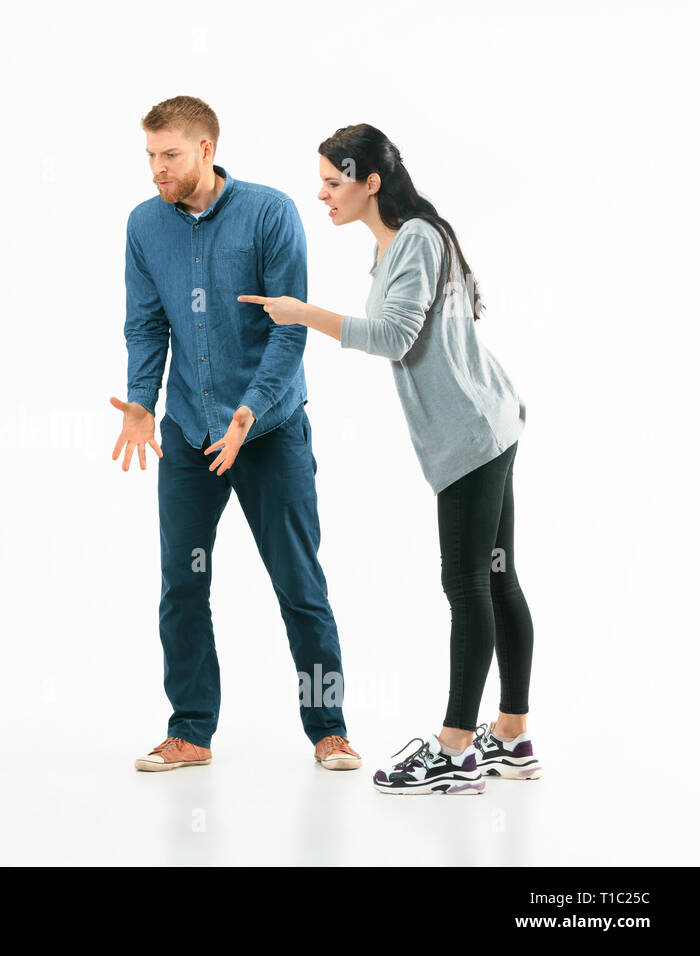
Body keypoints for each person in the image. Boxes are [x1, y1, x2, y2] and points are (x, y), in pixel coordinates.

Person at [238, 123, 541, 794]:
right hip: (488, 424)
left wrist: (301, 313)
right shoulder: (405, 244)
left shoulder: (416, 240)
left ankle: (457, 748)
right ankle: (512, 736)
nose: (321, 194)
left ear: (370, 181)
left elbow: (397, 337)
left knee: (467, 585)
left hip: (470, 436)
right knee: (495, 577)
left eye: (332, 181)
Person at [112, 95, 360, 773]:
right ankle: (190, 730)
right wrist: (140, 401)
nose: (157, 170)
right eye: (150, 157)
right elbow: (146, 324)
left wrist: (250, 409)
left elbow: (290, 328)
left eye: (169, 155)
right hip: (190, 437)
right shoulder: (144, 226)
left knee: (299, 585)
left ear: (206, 151)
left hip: (269, 432)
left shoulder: (269, 213)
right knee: (182, 587)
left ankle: (329, 729)